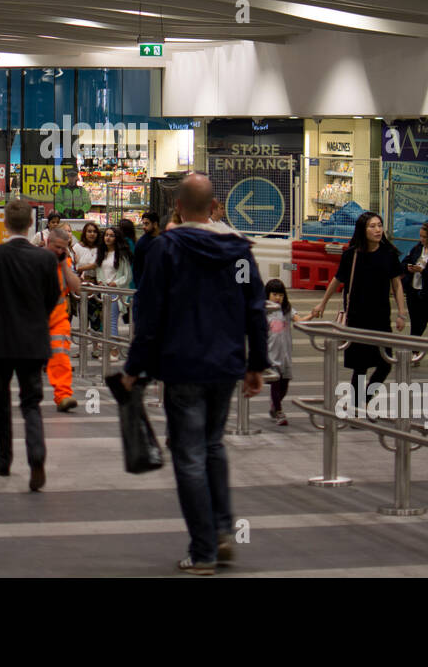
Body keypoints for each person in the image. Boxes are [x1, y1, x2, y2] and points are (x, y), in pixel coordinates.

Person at [121, 174, 268, 574]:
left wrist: (134, 368)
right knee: (214, 445)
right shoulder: (238, 254)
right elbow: (254, 306)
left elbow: (149, 315)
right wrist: (256, 364)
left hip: (183, 366)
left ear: (179, 208)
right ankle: (220, 530)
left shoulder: (167, 250)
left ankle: (203, 550)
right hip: (225, 367)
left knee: (189, 455)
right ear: (215, 207)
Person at [0, 199, 61, 491]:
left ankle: (3, 460)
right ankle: (36, 457)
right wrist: (38, 320)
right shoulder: (45, 259)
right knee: (31, 401)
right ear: (31, 225)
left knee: (0, 401)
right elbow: (52, 297)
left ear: (6, 225)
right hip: (33, 341)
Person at [309, 211, 407, 414]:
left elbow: (397, 284)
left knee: (385, 363)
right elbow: (337, 280)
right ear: (363, 229)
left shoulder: (389, 255)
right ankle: (355, 407)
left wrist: (401, 312)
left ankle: (364, 399)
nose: (378, 230)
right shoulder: (351, 255)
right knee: (360, 367)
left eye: (379, 225)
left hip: (380, 318)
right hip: (357, 317)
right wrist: (322, 304)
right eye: (372, 226)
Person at [44, 226, 82, 412]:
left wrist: (64, 265)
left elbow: (76, 287)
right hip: (35, 321)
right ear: (47, 242)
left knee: (61, 359)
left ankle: (63, 396)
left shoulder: (65, 262)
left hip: (58, 321)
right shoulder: (36, 260)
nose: (59, 251)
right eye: (56, 247)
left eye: (63, 248)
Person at [264, 278, 309, 426]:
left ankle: (274, 406)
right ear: (268, 295)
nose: (278, 298)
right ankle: (278, 411)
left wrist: (313, 315)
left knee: (284, 385)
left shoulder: (287, 310)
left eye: (281, 295)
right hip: (271, 355)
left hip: (285, 355)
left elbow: (299, 320)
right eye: (275, 294)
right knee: (275, 383)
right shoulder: (264, 312)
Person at [93, 225, 132, 355]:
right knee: (106, 320)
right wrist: (99, 280)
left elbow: (127, 275)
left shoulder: (120, 255)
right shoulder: (102, 253)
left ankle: (114, 351)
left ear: (116, 238)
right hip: (103, 291)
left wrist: (115, 283)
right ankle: (110, 348)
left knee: (112, 321)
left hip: (115, 292)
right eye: (106, 235)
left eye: (111, 235)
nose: (108, 238)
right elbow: (99, 270)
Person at [402, 222, 428, 337]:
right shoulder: (417, 248)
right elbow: (405, 261)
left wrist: (422, 271)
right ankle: (414, 349)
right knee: (414, 323)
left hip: (426, 294)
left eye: (424, 237)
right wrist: (409, 267)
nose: (421, 239)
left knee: (421, 323)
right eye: (420, 236)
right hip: (413, 291)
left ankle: (415, 348)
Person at [132, 210, 161, 289]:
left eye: (147, 224)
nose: (143, 227)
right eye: (143, 223)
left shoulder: (164, 240)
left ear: (155, 224)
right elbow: (137, 268)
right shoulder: (141, 243)